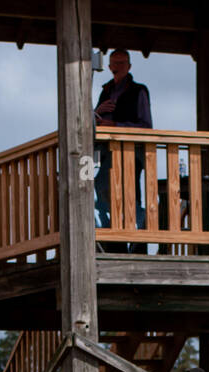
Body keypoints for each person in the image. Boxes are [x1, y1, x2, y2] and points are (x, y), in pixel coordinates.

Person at [93, 49, 152, 247]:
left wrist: (116, 126)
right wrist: (96, 113)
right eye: (114, 63)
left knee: (129, 195)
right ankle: (110, 236)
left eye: (122, 63)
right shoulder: (105, 91)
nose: (118, 67)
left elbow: (146, 126)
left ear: (129, 66)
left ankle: (140, 233)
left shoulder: (139, 91)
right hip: (104, 152)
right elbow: (94, 122)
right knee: (101, 188)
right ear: (109, 67)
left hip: (130, 153)